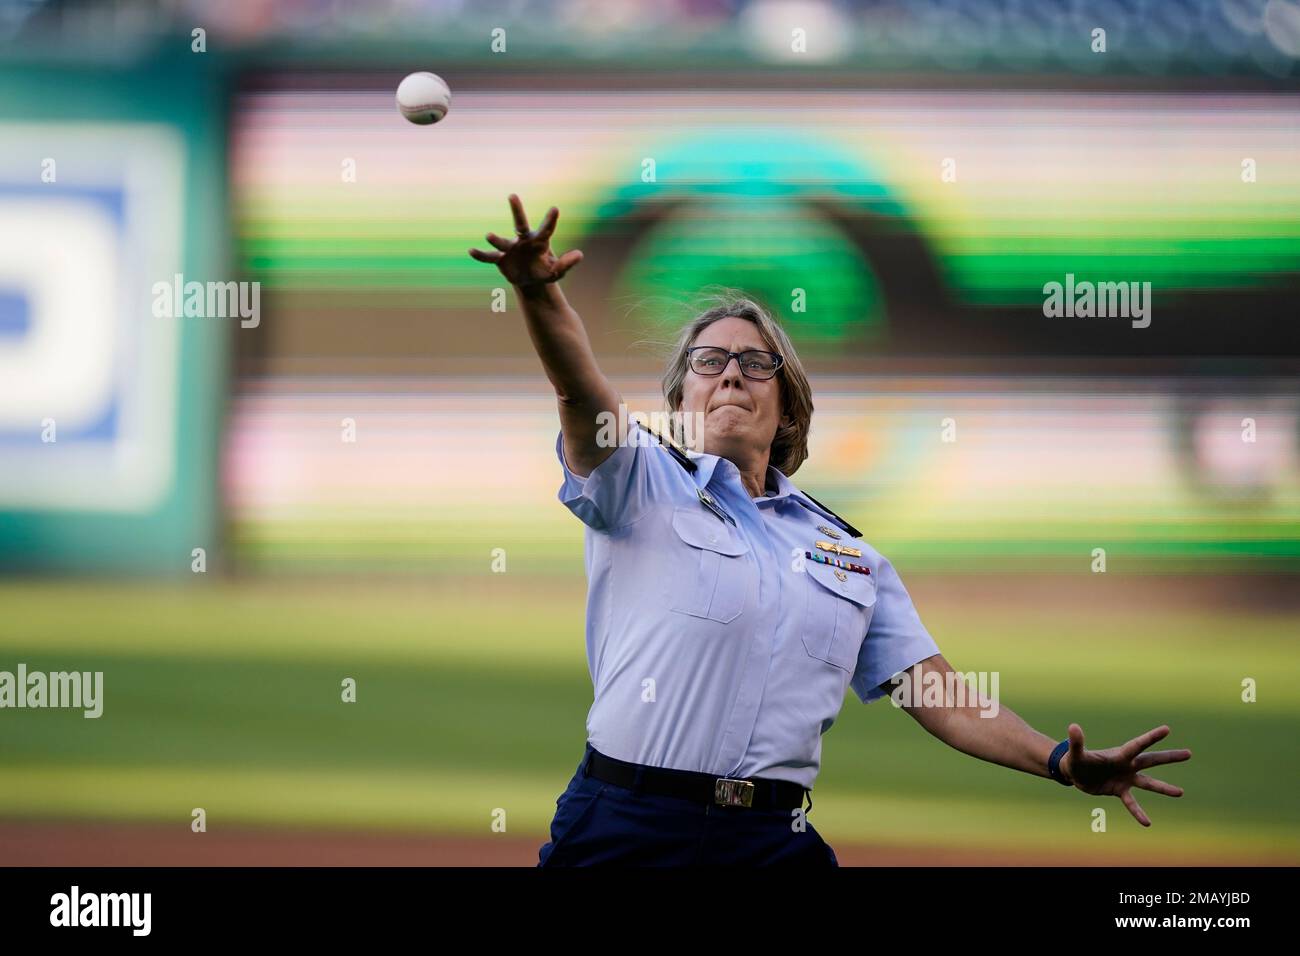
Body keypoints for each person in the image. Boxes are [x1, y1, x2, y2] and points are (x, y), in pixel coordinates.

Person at [469, 194, 1193, 867]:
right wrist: (538, 290)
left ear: (787, 409)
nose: (730, 375)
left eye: (756, 364)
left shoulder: (848, 554)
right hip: (626, 824)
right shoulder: (637, 482)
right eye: (708, 362)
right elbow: (578, 387)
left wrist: (1059, 762)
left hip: (771, 840)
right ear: (679, 400)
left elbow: (934, 690)